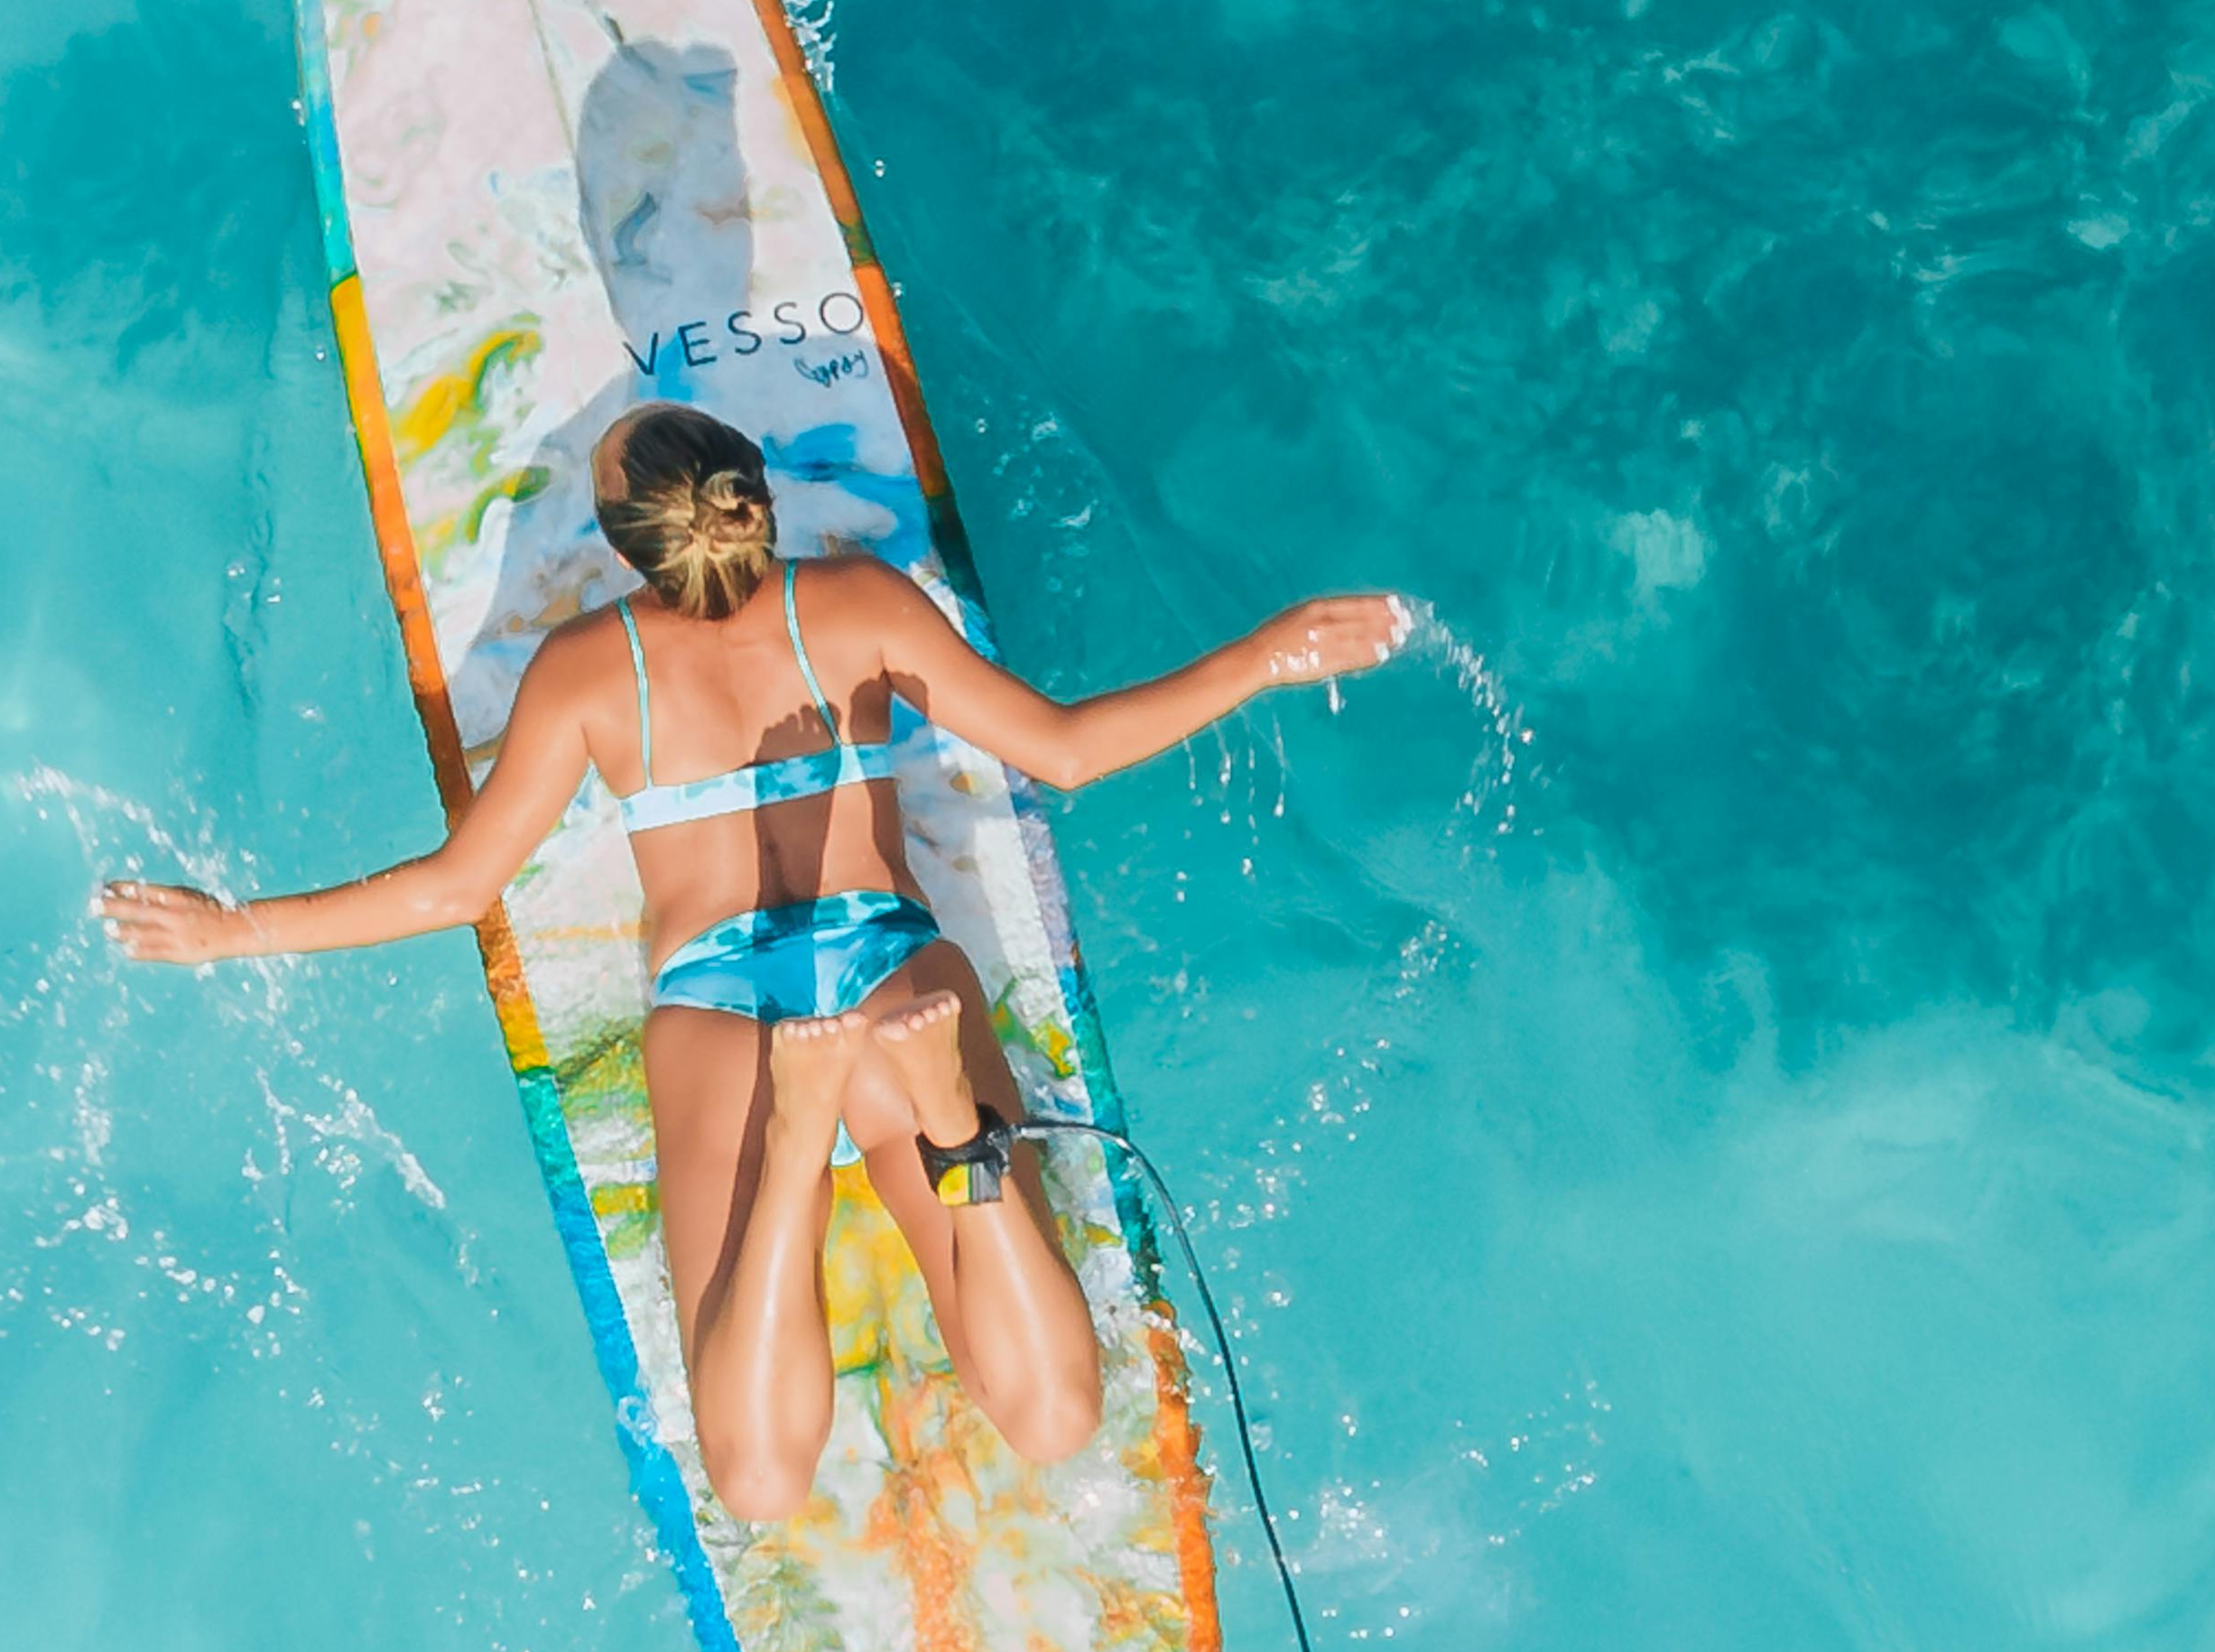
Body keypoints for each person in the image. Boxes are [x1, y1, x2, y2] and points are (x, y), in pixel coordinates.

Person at [97, 402, 1402, 1524]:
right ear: (754, 505)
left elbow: (457, 888)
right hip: (898, 976)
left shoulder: (585, 671)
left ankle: (792, 1157)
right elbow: (1058, 750)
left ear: (625, 552)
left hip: (723, 1013)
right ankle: (958, 1144)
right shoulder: (858, 603)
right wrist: (1264, 653)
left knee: (764, 1480)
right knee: (1054, 1417)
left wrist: (232, 929)